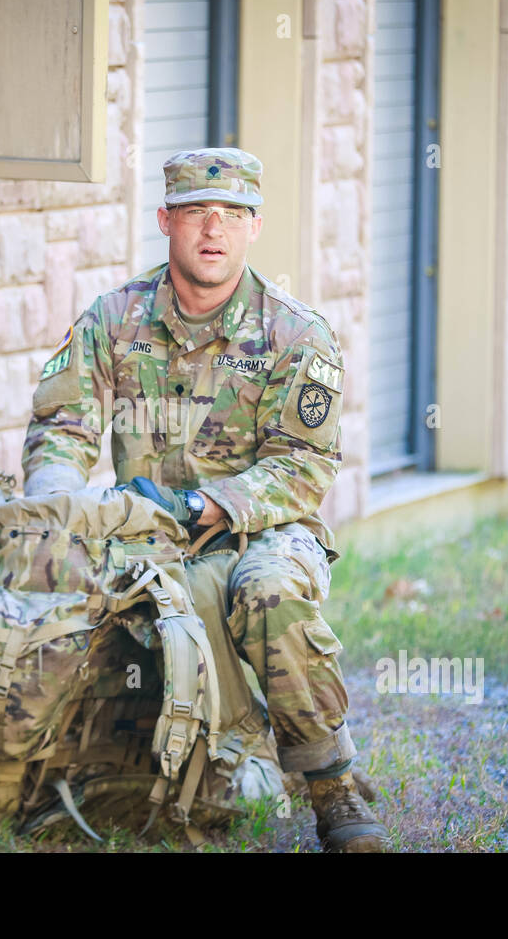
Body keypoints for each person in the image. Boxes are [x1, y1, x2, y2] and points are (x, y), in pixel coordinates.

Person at [21, 147, 388, 852]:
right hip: (143, 530)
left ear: (255, 226)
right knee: (58, 583)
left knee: (269, 593)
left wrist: (210, 506)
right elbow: (61, 431)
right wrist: (60, 509)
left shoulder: (296, 333)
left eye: (231, 215)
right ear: (166, 220)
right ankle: (65, 765)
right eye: (194, 213)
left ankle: (332, 787)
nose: (212, 229)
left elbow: (304, 464)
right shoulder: (112, 320)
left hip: (265, 531)